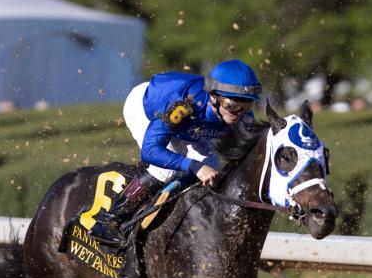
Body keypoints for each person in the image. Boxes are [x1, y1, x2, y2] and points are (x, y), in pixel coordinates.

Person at [87, 59, 262, 246]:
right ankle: (108, 221)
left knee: (214, 168)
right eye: (231, 104)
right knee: (165, 171)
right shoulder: (182, 105)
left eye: (247, 105)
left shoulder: (242, 116)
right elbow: (151, 150)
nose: (238, 112)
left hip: (190, 126)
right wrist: (194, 165)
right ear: (213, 96)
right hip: (148, 109)